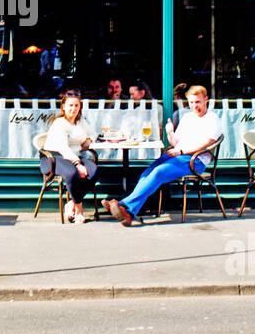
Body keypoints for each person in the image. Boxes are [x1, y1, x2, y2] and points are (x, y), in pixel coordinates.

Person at [106, 85, 222, 227]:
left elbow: (206, 143)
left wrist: (180, 151)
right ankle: (128, 212)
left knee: (158, 172)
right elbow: (175, 142)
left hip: (195, 160)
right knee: (146, 173)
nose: (194, 106)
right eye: (191, 102)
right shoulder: (187, 117)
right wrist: (170, 132)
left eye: (197, 102)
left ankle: (124, 206)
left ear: (206, 100)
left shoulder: (212, 118)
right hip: (177, 156)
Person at [43, 90, 98, 223]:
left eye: (76, 105)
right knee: (73, 174)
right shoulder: (59, 123)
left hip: (74, 156)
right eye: (70, 105)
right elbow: (63, 148)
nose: (73, 108)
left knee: (94, 171)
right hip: (54, 158)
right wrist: (78, 164)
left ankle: (71, 204)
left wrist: (89, 140)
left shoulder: (80, 121)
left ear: (80, 107)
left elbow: (94, 133)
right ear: (63, 107)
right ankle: (79, 209)